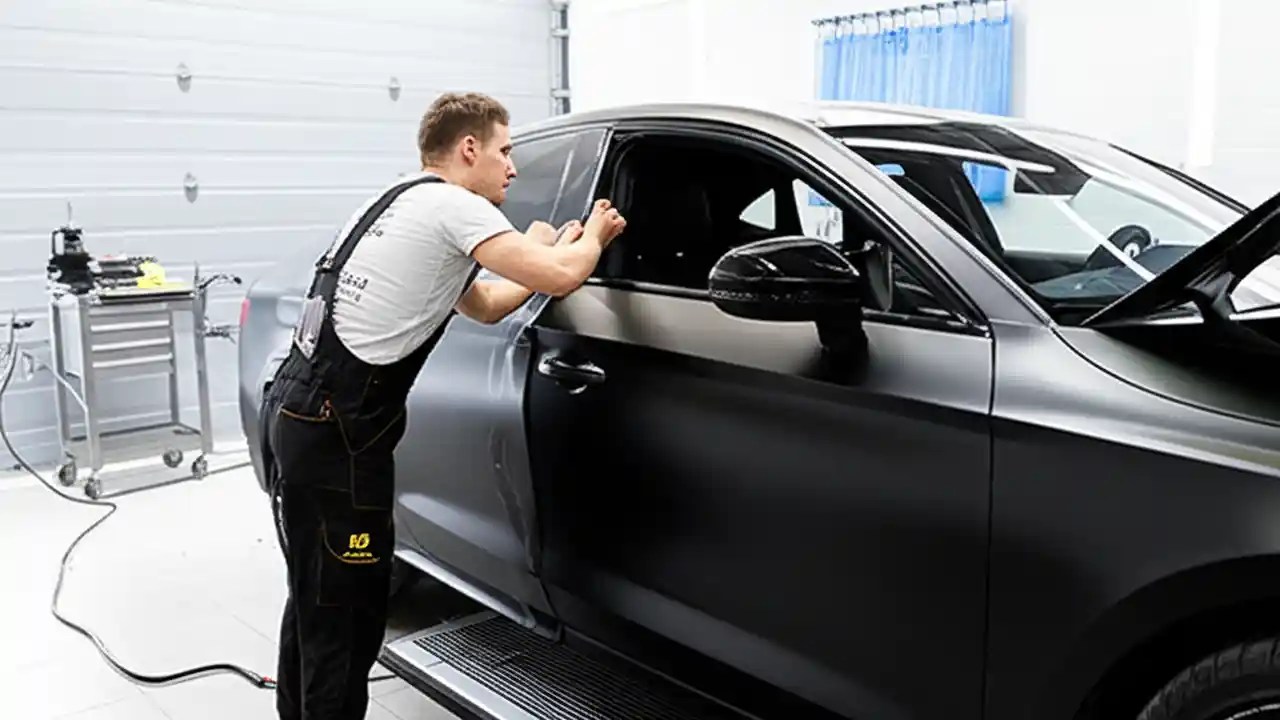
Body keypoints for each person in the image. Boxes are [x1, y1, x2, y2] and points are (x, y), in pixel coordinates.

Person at [258, 91, 626, 720]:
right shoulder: (456, 208)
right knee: (347, 616)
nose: (513, 167)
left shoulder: (401, 198)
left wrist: (543, 252)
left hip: (297, 413)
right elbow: (562, 278)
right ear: (469, 149)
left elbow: (482, 305)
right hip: (337, 435)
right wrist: (591, 237)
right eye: (505, 151)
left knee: (318, 600)